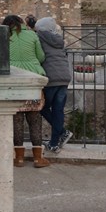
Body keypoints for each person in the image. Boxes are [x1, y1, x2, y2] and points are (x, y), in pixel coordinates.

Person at [2, 14, 48, 167]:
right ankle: (37, 158)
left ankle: (19, 158)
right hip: (33, 80)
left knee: (17, 120)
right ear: (21, 23)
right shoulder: (32, 35)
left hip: (14, 81)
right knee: (35, 120)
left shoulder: (4, 37)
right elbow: (41, 56)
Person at [35, 17, 72, 153]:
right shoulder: (58, 39)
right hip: (64, 77)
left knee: (42, 107)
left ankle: (63, 132)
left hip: (51, 77)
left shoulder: (39, 37)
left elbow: (39, 56)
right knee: (58, 110)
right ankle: (54, 143)